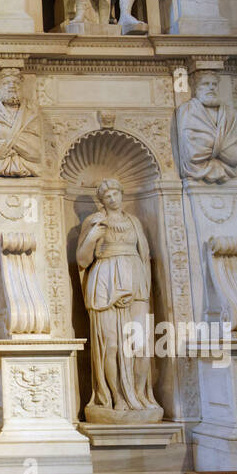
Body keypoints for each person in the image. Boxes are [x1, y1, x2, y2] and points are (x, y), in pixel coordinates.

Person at [75, 177, 161, 421]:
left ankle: (139, 394)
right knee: (110, 346)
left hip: (135, 284)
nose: (112, 199)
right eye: (107, 196)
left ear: (122, 195)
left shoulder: (134, 222)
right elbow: (82, 260)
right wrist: (93, 236)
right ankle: (116, 397)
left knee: (142, 345)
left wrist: (142, 288)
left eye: (115, 194)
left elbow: (144, 257)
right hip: (104, 284)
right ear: (101, 201)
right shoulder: (94, 221)